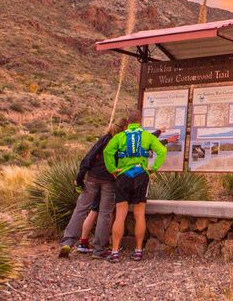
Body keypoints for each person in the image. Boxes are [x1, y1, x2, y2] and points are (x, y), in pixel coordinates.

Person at [103, 110, 167, 263]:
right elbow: (162, 150)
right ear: (140, 121)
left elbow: (107, 151)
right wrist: (153, 168)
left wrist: (112, 169)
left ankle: (115, 252)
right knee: (139, 215)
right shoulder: (147, 136)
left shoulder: (120, 136)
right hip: (141, 175)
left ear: (128, 122)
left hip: (124, 175)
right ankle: (138, 251)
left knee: (120, 215)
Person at [58, 120, 123, 259]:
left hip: (92, 177)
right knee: (105, 214)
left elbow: (89, 157)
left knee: (81, 209)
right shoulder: (122, 142)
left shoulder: (104, 139)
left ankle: (68, 242)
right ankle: (99, 250)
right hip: (110, 180)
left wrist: (80, 178)